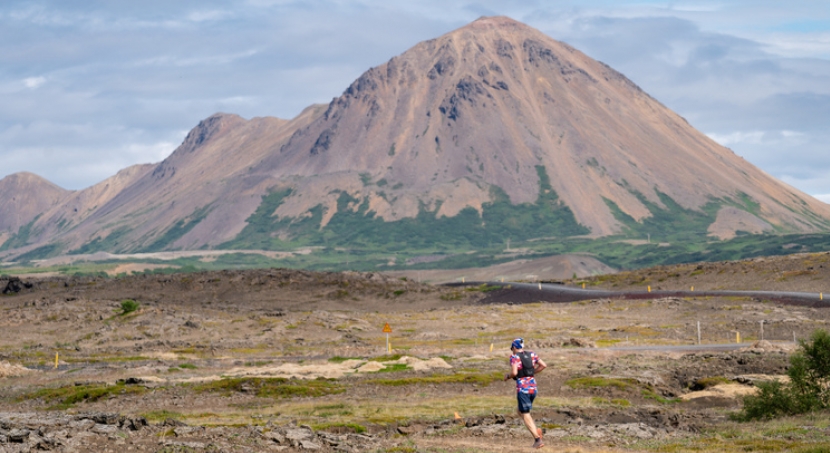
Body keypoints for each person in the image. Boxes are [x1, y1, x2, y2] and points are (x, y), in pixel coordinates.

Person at [504, 338, 547, 449]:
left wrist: (508, 377)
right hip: (533, 387)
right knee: (520, 411)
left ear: (514, 347)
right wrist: (532, 373)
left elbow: (514, 372)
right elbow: (543, 365)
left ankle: (537, 440)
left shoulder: (514, 357)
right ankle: (535, 430)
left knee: (525, 413)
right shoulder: (532, 354)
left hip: (523, 389)